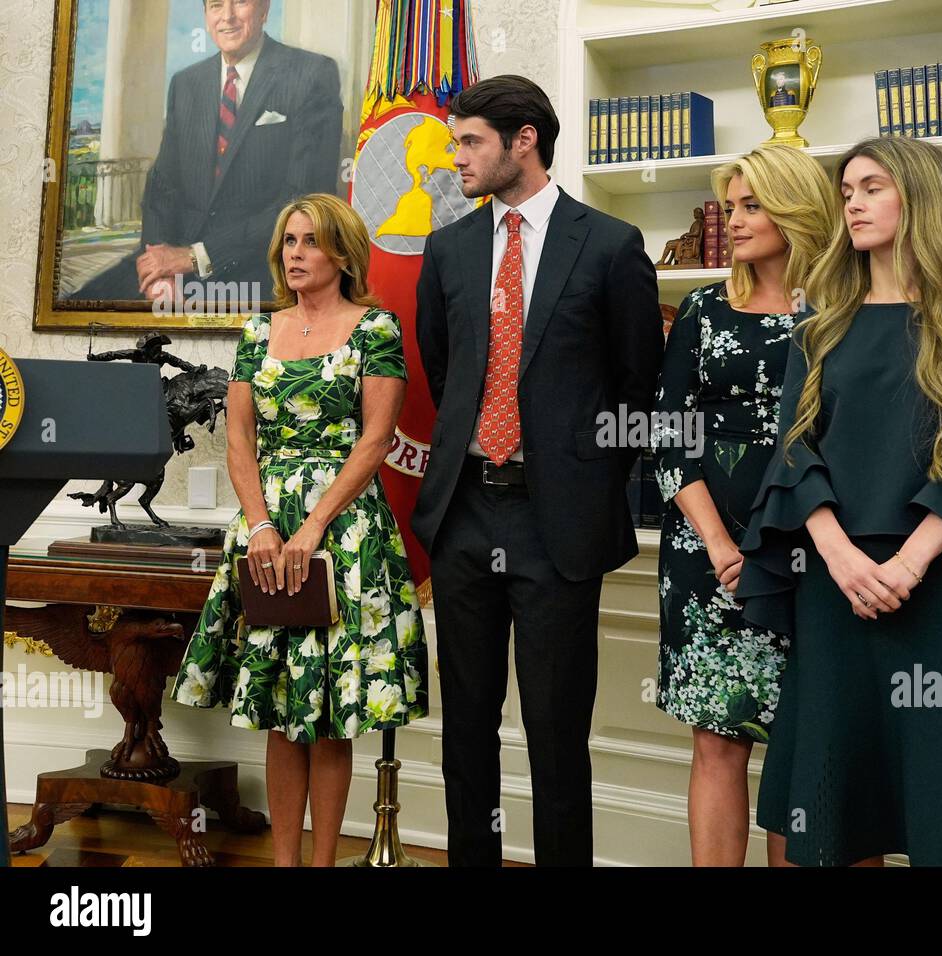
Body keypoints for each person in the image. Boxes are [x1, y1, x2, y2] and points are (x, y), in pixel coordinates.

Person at [737, 136, 942, 867]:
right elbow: (793, 453)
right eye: (847, 190)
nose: (852, 202)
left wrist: (911, 564)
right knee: (837, 805)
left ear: (916, 196)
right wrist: (841, 557)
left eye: (871, 187)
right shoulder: (819, 322)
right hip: (834, 589)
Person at [411, 75, 663, 866]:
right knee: (466, 733)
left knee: (557, 737)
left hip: (558, 526)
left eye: (470, 141)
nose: (457, 158)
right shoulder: (448, 248)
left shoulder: (612, 245)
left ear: (524, 140)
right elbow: (443, 368)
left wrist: (583, 480)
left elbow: (636, 388)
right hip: (464, 517)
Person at [170, 193, 430, 867]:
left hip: (344, 534)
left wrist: (313, 526)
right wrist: (261, 526)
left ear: (342, 253)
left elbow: (375, 441)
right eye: (288, 241)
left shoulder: (377, 328)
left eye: (310, 241)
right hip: (265, 533)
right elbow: (237, 438)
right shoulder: (258, 332)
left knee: (332, 714)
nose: (295, 253)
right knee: (281, 707)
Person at [652, 145, 837, 866]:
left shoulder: (842, 306)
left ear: (796, 208)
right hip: (707, 558)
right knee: (716, 738)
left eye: (752, 205)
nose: (733, 220)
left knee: (802, 742)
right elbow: (669, 436)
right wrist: (721, 546)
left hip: (815, 552)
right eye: (730, 206)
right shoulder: (701, 308)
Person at [71, 0, 342, 303]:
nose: (227, 17)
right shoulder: (186, 84)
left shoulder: (312, 74)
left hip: (257, 265)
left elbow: (303, 199)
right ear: (205, 15)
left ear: (264, 10)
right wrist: (157, 268)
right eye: (215, 5)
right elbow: (163, 188)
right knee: (80, 303)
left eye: (240, 3)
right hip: (174, 261)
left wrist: (197, 256)